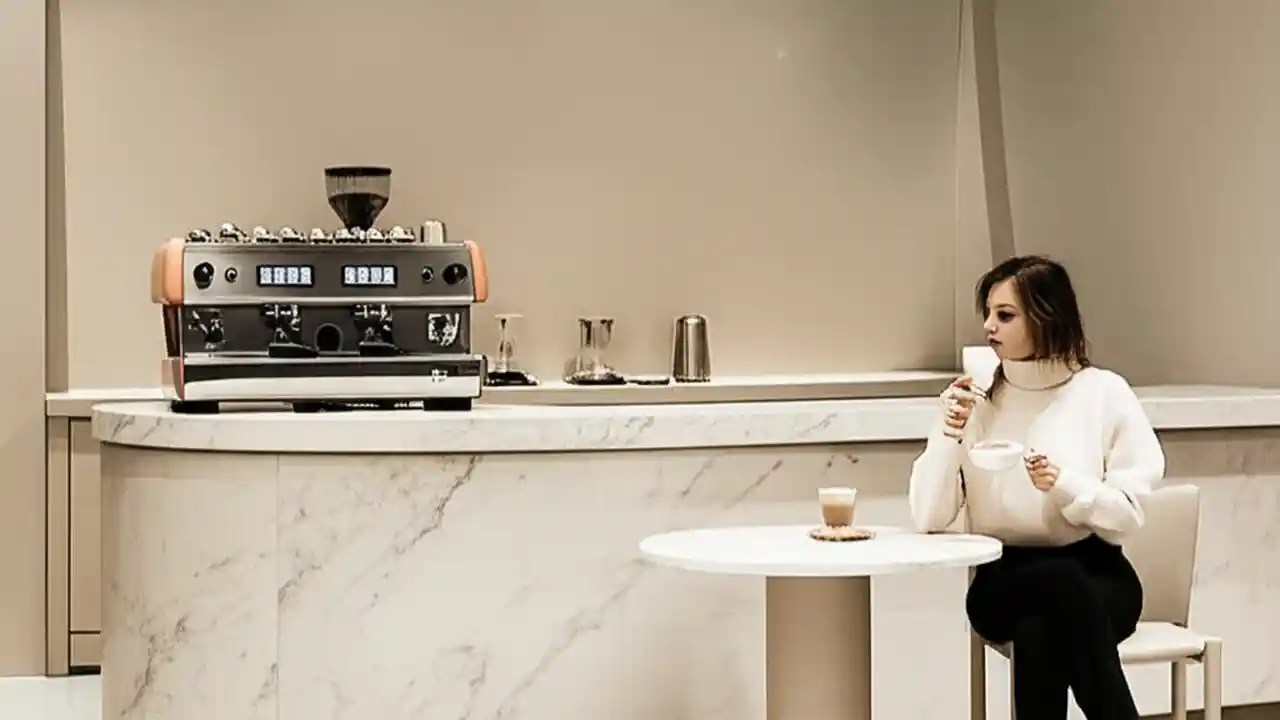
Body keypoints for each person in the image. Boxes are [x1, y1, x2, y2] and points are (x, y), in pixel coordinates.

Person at [908, 255, 1165, 720]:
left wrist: (1065, 486)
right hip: (1002, 576)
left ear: (1047, 316)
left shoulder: (1103, 393)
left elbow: (1128, 516)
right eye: (987, 313)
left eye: (1005, 315)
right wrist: (947, 434)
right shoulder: (976, 398)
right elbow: (928, 517)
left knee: (1040, 631)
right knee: (1054, 591)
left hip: (1098, 574)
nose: (989, 326)